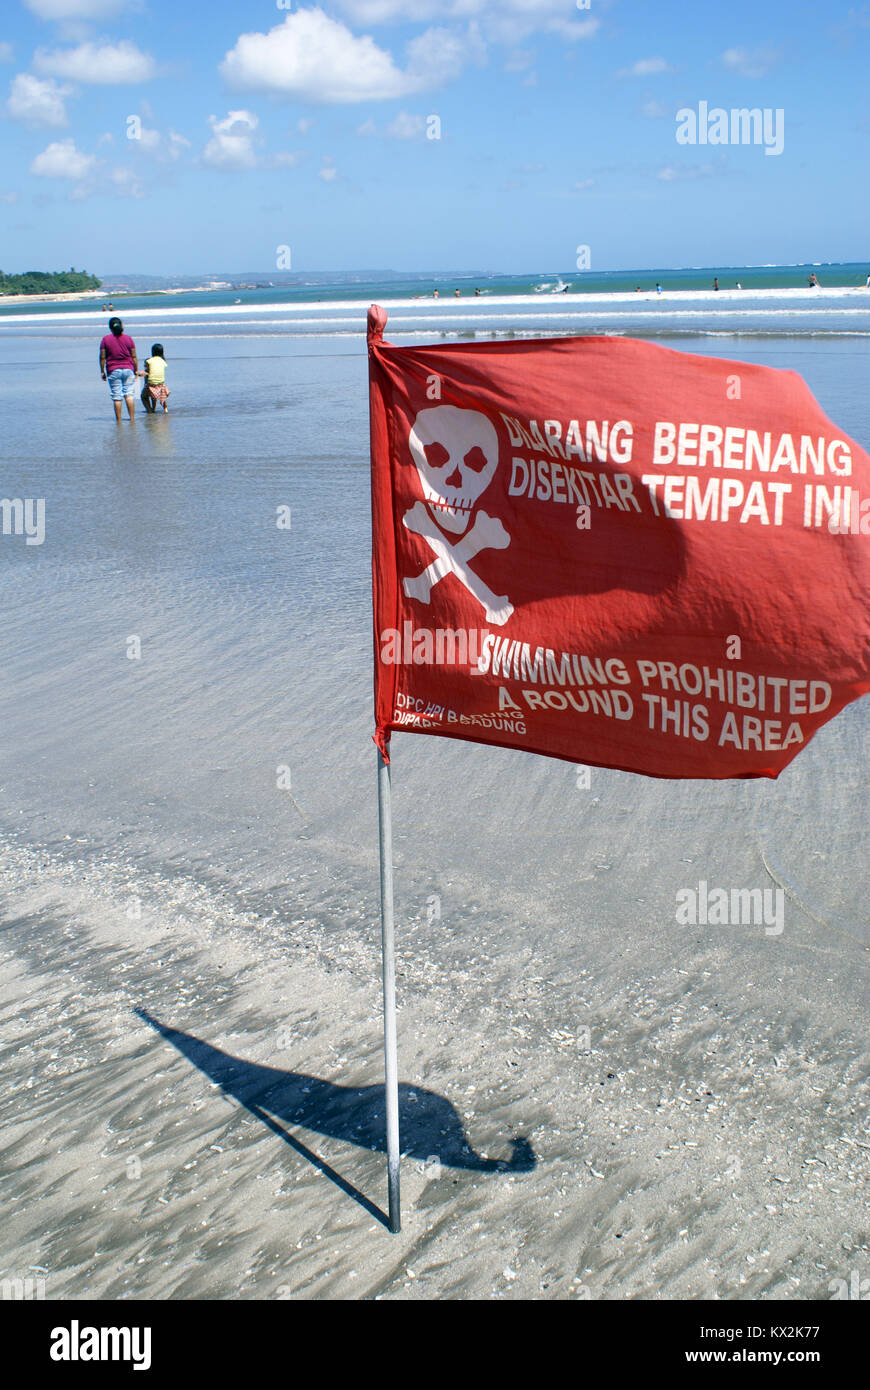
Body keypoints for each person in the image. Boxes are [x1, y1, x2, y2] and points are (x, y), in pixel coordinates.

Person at [99, 316, 138, 422]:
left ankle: (119, 421)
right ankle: (132, 419)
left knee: (117, 397)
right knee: (129, 395)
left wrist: (102, 371)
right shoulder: (128, 338)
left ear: (110, 327)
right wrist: (136, 370)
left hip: (113, 370)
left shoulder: (105, 339)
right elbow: (134, 356)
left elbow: (102, 357)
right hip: (128, 369)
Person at [138, 343, 170, 413]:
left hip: (151, 384)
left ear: (153, 352)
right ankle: (165, 409)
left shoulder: (149, 361)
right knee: (159, 396)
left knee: (143, 396)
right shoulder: (163, 361)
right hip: (161, 384)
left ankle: (149, 410)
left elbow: (147, 372)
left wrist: (138, 374)